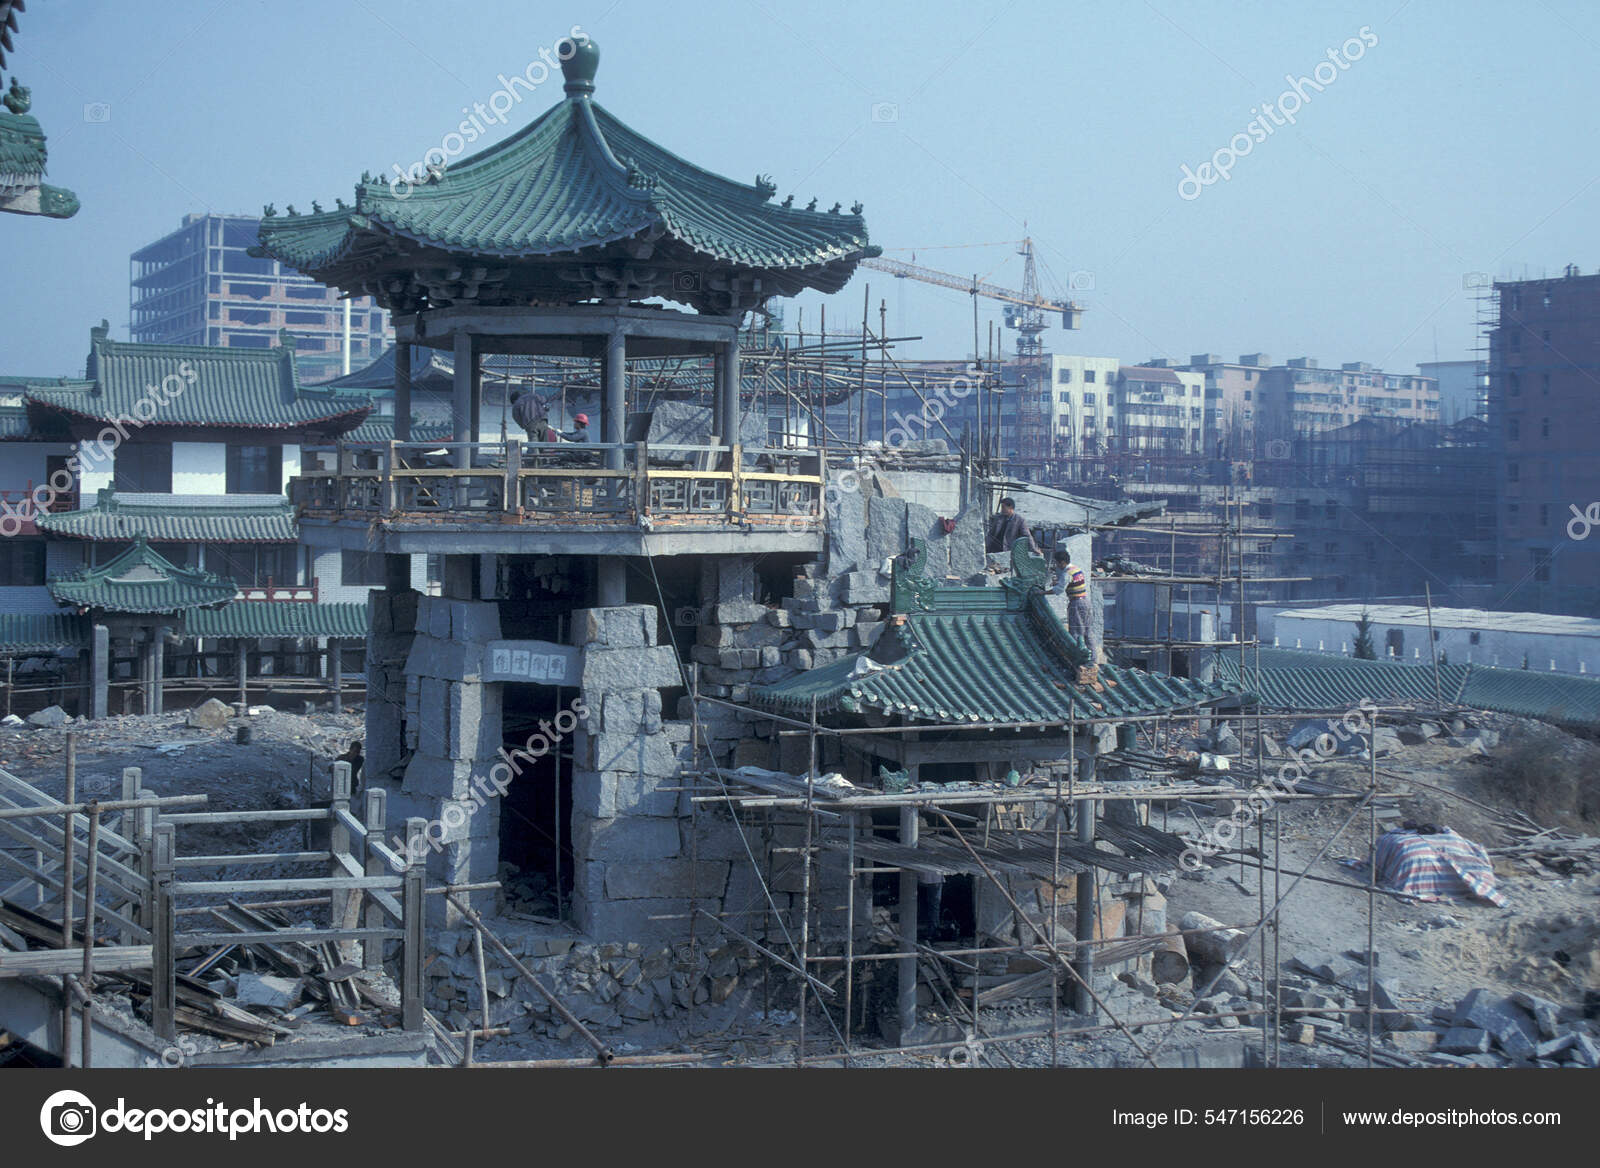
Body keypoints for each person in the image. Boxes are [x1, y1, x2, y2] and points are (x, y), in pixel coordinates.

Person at [1050, 549, 1092, 650]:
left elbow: (1059, 590)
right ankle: (1093, 659)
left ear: (1062, 562)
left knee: (1076, 632)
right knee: (1088, 632)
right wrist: (1059, 582)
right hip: (1085, 601)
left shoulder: (1067, 573)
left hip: (1076, 603)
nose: (1056, 565)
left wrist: (1043, 592)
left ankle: (1078, 657)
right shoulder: (1076, 569)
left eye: (1057, 563)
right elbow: (1072, 582)